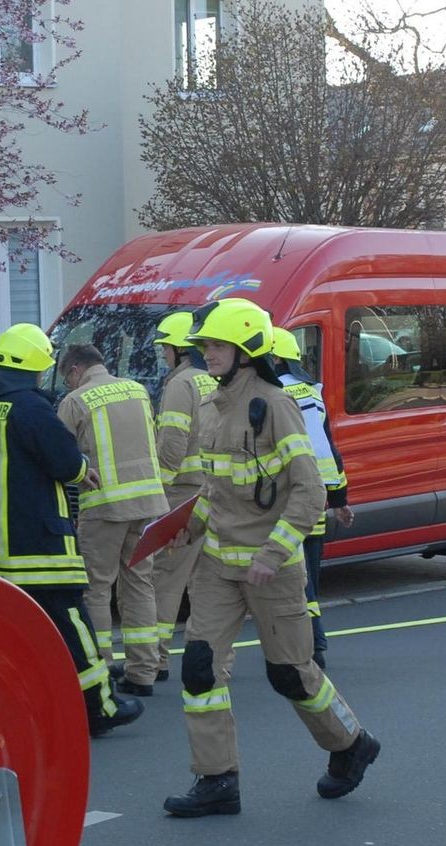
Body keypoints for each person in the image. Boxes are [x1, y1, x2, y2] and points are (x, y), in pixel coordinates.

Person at [163, 298, 378, 818]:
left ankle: (351, 744)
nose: (208, 354)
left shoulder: (276, 405)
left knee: (291, 674)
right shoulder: (212, 406)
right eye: (205, 345)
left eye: (218, 345)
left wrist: (274, 552)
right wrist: (188, 526)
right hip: (217, 567)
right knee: (199, 669)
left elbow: (309, 492)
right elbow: (216, 489)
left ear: (246, 350)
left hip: (271, 571)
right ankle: (217, 779)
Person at [0, 323, 143, 737]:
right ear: (34, 367)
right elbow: (64, 460)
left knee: (8, 635)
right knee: (71, 624)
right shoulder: (30, 408)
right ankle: (100, 706)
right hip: (38, 546)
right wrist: (82, 470)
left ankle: (15, 709)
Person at [57, 343, 169, 697]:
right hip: (147, 502)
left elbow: (60, 455)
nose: (68, 384)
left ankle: (101, 671)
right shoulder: (137, 390)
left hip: (105, 506)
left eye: (67, 378)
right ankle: (143, 672)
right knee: (140, 583)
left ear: (75, 369)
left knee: (96, 588)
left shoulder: (76, 401)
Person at [270, 326, 353, 670]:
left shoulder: (274, 395)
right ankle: (313, 645)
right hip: (315, 502)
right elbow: (329, 450)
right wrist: (339, 499)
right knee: (310, 582)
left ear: (274, 359)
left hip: (287, 501)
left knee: (293, 581)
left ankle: (310, 647)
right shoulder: (312, 393)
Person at [149, 312, 218, 681]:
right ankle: (213, 656)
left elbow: (172, 444)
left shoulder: (180, 384)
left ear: (179, 350)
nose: (163, 355)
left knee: (167, 577)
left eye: (165, 348)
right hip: (213, 490)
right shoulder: (212, 378)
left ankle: (157, 658)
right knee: (206, 582)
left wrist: (158, 490)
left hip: (183, 493)